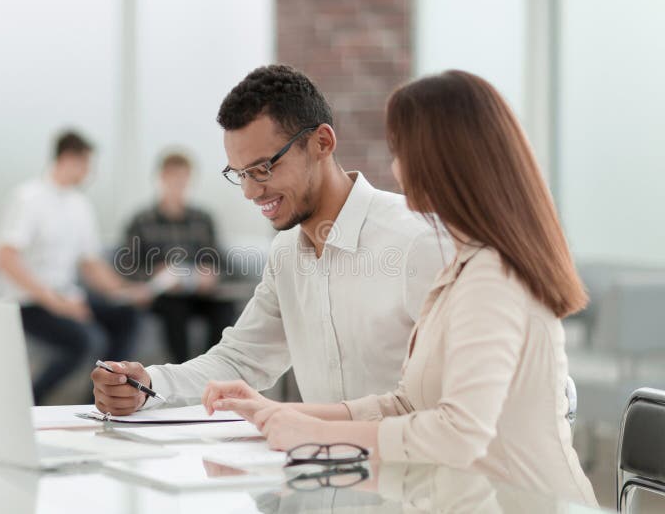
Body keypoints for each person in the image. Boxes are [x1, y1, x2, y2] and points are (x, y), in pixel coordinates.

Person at [201, 70, 598, 505]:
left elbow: (458, 433)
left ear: (449, 160)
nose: (395, 168)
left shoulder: (490, 274)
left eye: (402, 151)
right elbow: (408, 405)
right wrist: (280, 414)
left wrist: (312, 433)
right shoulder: (461, 267)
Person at [91, 65, 451, 415]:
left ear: (321, 143)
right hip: (322, 465)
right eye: (240, 174)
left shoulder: (417, 241)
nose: (250, 191)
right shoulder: (286, 254)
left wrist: (299, 423)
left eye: (264, 168)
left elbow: (458, 404)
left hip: (411, 470)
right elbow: (242, 358)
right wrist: (148, 385)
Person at [0, 130, 150, 404]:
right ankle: (29, 402)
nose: (88, 173)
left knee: (127, 317)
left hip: (66, 295)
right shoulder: (28, 198)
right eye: (86, 165)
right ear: (67, 158)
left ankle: (98, 403)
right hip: (30, 302)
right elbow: (6, 258)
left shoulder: (79, 205)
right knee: (88, 339)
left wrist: (125, 290)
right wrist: (55, 302)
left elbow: (90, 263)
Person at [120, 151, 235, 363]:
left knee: (224, 308)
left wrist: (210, 274)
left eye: (183, 179)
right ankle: (182, 370)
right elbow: (127, 267)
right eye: (173, 178)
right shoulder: (141, 221)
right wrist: (155, 274)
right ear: (161, 178)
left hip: (199, 293)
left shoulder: (203, 219)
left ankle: (212, 368)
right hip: (165, 297)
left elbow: (222, 263)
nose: (179, 185)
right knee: (175, 308)